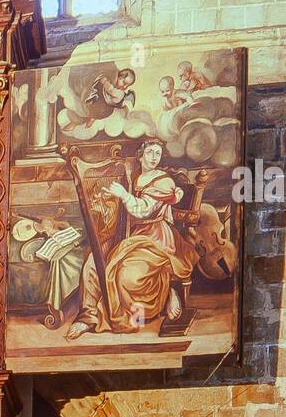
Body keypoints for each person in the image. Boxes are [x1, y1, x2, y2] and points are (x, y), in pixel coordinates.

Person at [66, 138, 196, 338]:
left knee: (128, 277)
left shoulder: (163, 181)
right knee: (92, 264)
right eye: (150, 152)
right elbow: (118, 209)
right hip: (130, 236)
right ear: (141, 155)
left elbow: (143, 210)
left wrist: (124, 195)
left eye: (158, 154)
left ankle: (165, 295)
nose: (154, 157)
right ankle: (88, 316)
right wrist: (104, 200)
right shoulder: (130, 177)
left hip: (155, 239)